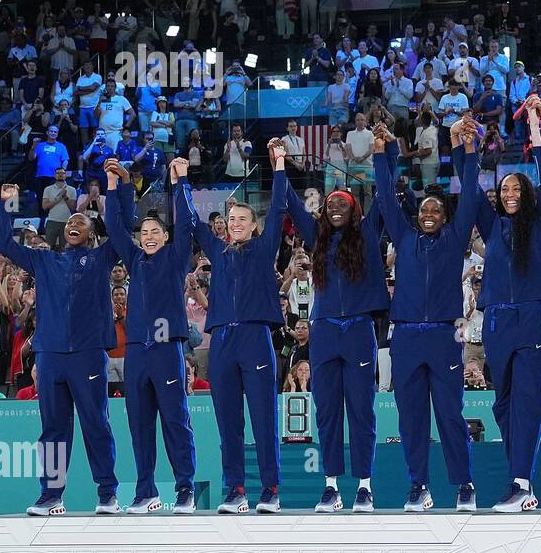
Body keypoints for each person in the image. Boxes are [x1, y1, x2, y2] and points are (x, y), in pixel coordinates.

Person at [281, 128, 392, 515]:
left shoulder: (368, 234)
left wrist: (383, 152)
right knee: (327, 411)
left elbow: (386, 198)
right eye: (330, 204)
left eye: (342, 203)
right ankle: (331, 487)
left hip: (359, 330)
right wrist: (280, 167)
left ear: (354, 210)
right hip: (325, 332)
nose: (335, 208)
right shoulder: (317, 239)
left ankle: (364, 486)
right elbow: (294, 207)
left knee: (361, 411)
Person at [374, 117, 483, 512]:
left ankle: (464, 484)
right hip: (404, 335)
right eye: (424, 208)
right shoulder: (403, 238)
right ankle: (418, 486)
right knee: (411, 420)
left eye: (436, 208)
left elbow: (469, 193)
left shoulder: (455, 239)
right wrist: (381, 154)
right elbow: (386, 197)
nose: (429, 212)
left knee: (451, 414)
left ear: (445, 215)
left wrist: (468, 152)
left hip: (444, 335)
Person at [0, 183, 120, 517]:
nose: (73, 224)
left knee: (96, 422)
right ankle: (51, 496)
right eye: (68, 222)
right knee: (52, 428)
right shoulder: (43, 261)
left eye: (80, 221)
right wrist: (8, 202)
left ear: (92, 232)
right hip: (50, 355)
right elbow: (3, 242)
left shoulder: (101, 257)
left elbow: (121, 235)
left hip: (88, 353)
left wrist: (116, 190)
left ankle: (107, 493)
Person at [179, 141, 289, 514]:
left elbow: (279, 209)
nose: (236, 224)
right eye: (231, 221)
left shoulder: (265, 246)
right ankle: (236, 490)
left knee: (263, 418)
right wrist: (181, 182)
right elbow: (193, 222)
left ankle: (271, 490)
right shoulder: (217, 252)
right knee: (229, 423)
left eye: (243, 219)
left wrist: (278, 165)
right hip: (222, 339)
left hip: (255, 337)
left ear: (254, 226)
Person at [470, 96, 541, 512]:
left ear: (525, 194)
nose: (509, 193)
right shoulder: (491, 227)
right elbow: (471, 191)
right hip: (495, 322)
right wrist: (467, 148)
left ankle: (522, 482)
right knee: (502, 404)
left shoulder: (539, 222)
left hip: (529, 318)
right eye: (503, 188)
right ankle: (518, 477)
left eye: (514, 187)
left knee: (527, 401)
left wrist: (537, 134)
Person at [103, 157, 198, 515]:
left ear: (166, 236)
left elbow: (187, 222)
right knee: (140, 427)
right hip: (137, 354)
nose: (148, 237)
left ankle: (185, 488)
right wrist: (114, 185)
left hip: (165, 349)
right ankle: (146, 492)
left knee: (175, 422)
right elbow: (113, 226)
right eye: (144, 233)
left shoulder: (176, 257)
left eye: (155, 232)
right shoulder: (134, 260)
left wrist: (181, 181)